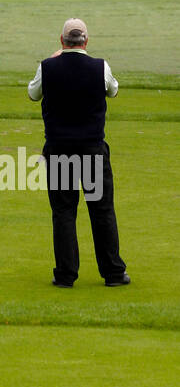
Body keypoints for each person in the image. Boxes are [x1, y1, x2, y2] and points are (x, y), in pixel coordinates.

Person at [27, 18, 128, 287]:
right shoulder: (100, 67)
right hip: (92, 150)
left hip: (60, 151)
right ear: (86, 41)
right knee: (102, 210)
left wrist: (51, 61)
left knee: (63, 212)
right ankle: (114, 273)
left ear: (62, 41)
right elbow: (113, 90)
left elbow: (33, 94)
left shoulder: (47, 67)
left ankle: (65, 275)